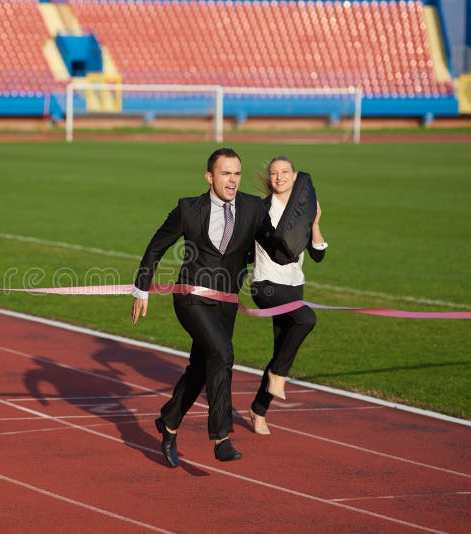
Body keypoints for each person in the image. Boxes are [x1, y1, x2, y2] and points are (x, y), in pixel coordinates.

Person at [131, 147, 282, 467]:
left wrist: (298, 225)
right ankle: (222, 437)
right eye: (226, 173)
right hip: (191, 298)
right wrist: (141, 289)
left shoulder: (254, 207)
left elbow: (275, 247)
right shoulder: (188, 209)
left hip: (226, 303)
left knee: (201, 367)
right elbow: (156, 247)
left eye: (237, 173)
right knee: (224, 354)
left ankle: (169, 423)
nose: (232, 180)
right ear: (209, 177)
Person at [247, 156, 327, 436]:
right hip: (266, 285)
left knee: (282, 350)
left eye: (284, 172)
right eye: (273, 173)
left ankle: (259, 409)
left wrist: (315, 223)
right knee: (306, 319)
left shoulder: (302, 211)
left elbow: (318, 255)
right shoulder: (261, 210)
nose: (279, 177)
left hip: (294, 286)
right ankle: (278, 377)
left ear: (294, 176)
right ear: (269, 179)